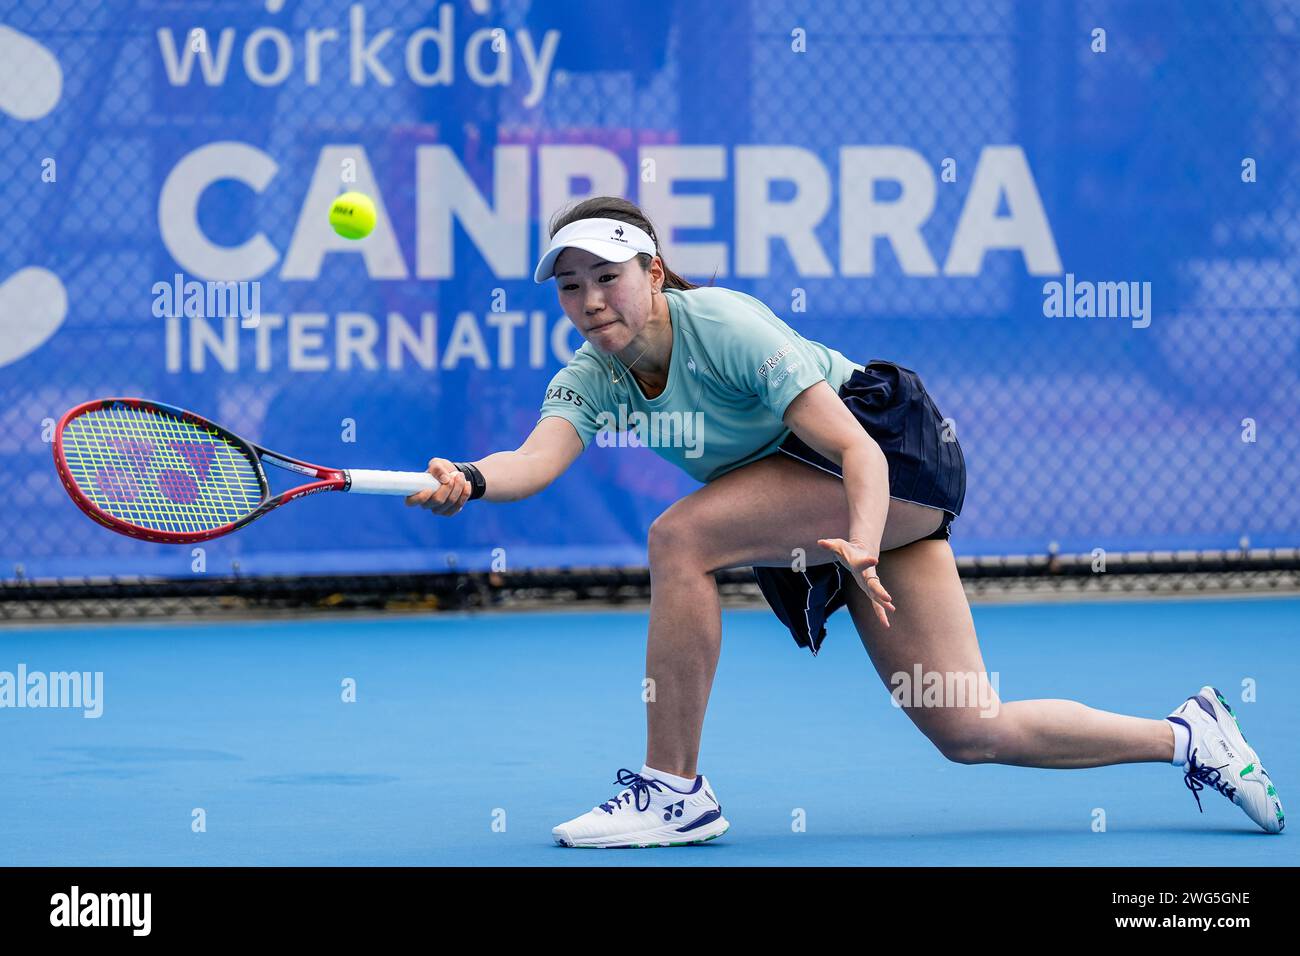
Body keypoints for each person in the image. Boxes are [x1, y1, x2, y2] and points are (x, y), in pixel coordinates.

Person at [406, 197, 1285, 848]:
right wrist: (469, 480)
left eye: (608, 277)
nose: (591, 299)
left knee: (679, 538)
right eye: (571, 287)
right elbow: (536, 460)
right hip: (825, 503)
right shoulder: (591, 374)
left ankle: (673, 791)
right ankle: (1190, 734)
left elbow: (859, 453)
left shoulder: (727, 325)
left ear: (655, 273)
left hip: (888, 456)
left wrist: (861, 544)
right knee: (968, 727)